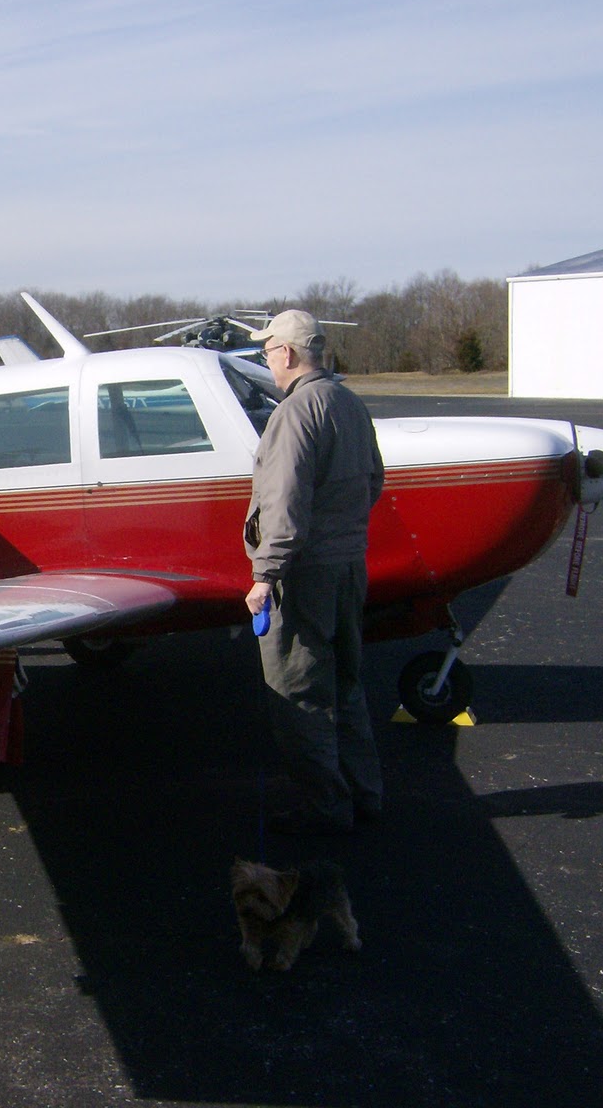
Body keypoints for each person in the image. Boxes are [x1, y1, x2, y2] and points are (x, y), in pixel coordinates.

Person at [244, 310, 385, 835]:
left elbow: (283, 501)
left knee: (298, 694)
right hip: (349, 566)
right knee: (346, 687)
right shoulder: (349, 403)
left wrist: (266, 574)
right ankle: (365, 797)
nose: (265, 359)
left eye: (267, 350)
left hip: (305, 574)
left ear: (286, 353)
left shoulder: (295, 413)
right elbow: (374, 480)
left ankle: (327, 813)